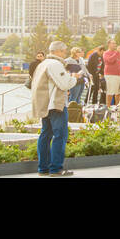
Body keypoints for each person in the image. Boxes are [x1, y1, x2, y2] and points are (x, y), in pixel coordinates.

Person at [31, 40, 77, 177]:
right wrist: (74, 78)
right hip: (56, 105)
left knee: (45, 135)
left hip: (44, 105)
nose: (65, 54)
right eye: (64, 51)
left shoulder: (43, 64)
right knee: (60, 135)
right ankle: (56, 169)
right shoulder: (55, 64)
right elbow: (64, 84)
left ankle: (43, 169)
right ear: (57, 51)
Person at [102, 40, 120, 109]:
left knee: (119, 93)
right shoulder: (106, 53)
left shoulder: (117, 53)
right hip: (111, 75)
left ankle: (117, 107)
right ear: (109, 44)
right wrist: (117, 52)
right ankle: (108, 107)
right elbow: (110, 61)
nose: (115, 45)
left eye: (115, 43)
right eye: (113, 43)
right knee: (110, 92)